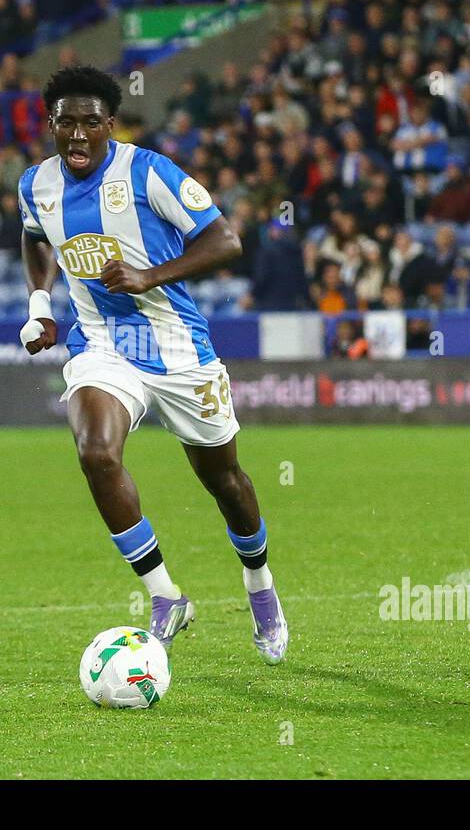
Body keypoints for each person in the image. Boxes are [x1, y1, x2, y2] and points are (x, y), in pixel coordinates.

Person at [18, 66, 287, 664]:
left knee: (225, 482)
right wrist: (41, 306)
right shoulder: (35, 184)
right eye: (68, 122)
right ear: (53, 126)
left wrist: (149, 276)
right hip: (102, 344)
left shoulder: (148, 171)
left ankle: (260, 585)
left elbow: (225, 241)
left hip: (178, 347)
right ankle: (165, 596)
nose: (80, 134)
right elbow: (37, 237)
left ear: (110, 124)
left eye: (92, 122)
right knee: (96, 452)